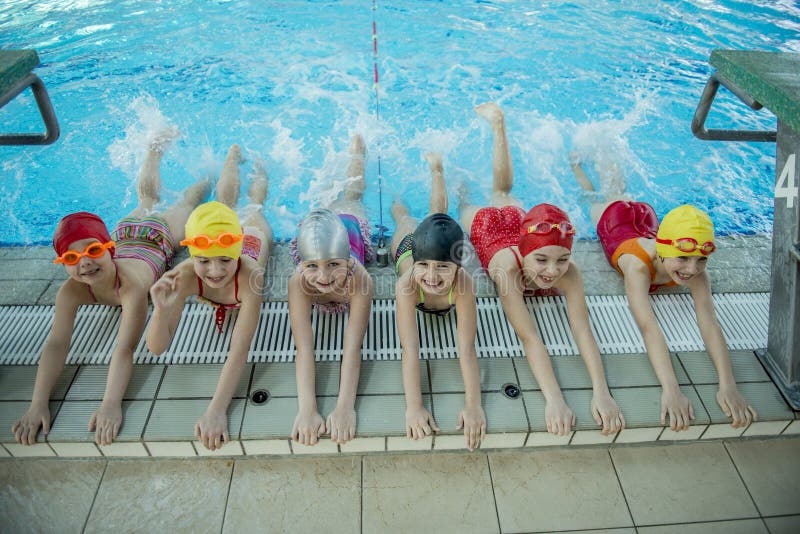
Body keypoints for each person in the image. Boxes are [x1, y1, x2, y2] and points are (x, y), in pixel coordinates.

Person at [12, 130, 209, 446]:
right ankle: (154, 150)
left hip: (157, 237)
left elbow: (124, 349)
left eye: (92, 252)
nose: (84, 264)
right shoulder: (71, 290)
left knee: (187, 202)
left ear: (107, 249)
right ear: (63, 262)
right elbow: (56, 344)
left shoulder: (129, 288)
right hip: (126, 233)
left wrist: (111, 403)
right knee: (146, 200)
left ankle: (205, 174)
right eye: (72, 257)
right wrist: (37, 403)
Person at [459, 102, 625, 436]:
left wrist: (601, 391)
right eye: (542, 262)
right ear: (525, 252)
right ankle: (473, 163)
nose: (552, 271)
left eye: (562, 260)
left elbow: (582, 330)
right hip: (490, 231)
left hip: (525, 228)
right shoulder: (508, 272)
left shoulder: (569, 270)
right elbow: (529, 336)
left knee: (504, 192)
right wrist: (554, 399)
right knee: (468, 202)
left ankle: (498, 125)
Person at [571, 154, 757, 430]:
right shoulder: (638, 268)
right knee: (595, 198)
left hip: (645, 218)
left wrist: (728, 385)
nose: (692, 269)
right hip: (615, 222)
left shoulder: (694, 270)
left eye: (701, 260)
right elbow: (649, 328)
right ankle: (577, 163)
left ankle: (604, 150)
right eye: (683, 259)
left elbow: (709, 324)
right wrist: (671, 388)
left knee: (618, 190)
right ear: (664, 249)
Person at [146, 144, 272, 451]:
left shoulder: (249, 275)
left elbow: (239, 350)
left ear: (234, 257)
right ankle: (232, 157)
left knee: (254, 207)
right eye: (204, 261)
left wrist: (217, 409)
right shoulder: (187, 275)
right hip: (223, 244)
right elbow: (158, 348)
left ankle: (260, 168)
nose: (215, 272)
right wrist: (161, 311)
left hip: (253, 239)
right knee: (222, 205)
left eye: (224, 261)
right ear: (193, 257)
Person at [390, 153, 486, 450]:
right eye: (427, 268)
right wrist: (414, 407)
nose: (431, 278)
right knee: (406, 220)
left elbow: (466, 349)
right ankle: (400, 196)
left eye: (443, 268)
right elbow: (410, 350)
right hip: (409, 249)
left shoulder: (463, 284)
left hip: (433, 251)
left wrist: (473, 405)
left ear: (459, 267)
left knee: (440, 218)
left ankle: (438, 170)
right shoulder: (407, 286)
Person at [288, 134, 375, 446]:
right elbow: (304, 348)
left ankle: (357, 150)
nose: (323, 278)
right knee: (325, 197)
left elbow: (352, 347)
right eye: (313, 267)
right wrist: (307, 409)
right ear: (302, 263)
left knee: (353, 192)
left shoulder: (359, 279)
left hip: (350, 225)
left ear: (347, 261)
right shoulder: (300, 280)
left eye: (333, 266)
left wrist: (344, 407)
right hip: (320, 239)